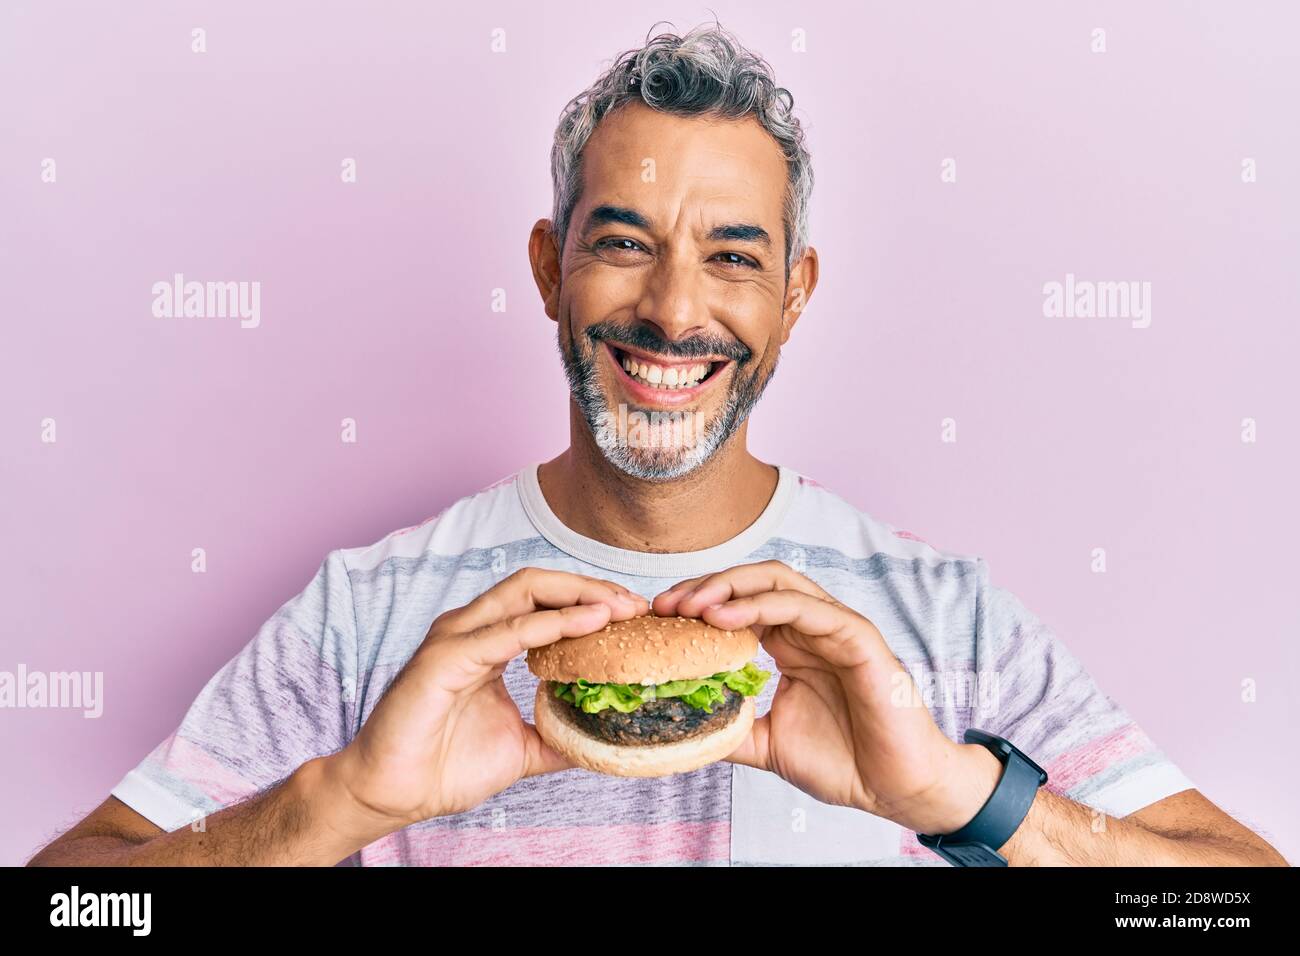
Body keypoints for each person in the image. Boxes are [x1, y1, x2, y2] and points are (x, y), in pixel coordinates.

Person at [29, 22, 1285, 867]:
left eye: (732, 257)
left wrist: (964, 800)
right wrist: (344, 796)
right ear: (548, 268)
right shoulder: (368, 611)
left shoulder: (937, 617)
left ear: (793, 294)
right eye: (624, 241)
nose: (676, 310)